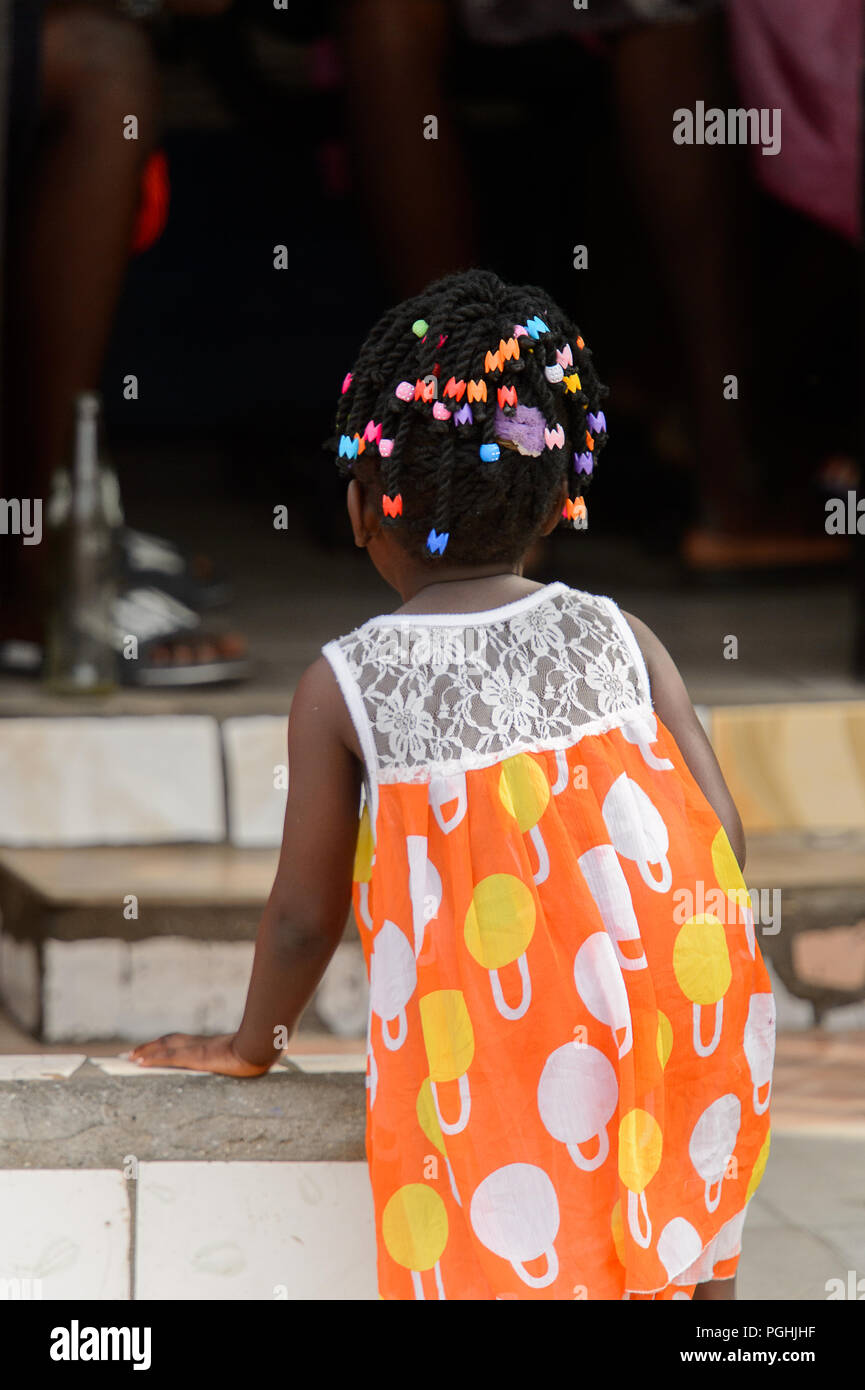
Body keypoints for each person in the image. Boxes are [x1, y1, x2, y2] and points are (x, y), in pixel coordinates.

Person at [130, 269, 775, 1302]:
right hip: (693, 1009)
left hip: (507, 1058)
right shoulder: (620, 633)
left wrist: (255, 1044)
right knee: (682, 1233)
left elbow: (304, 917)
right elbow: (723, 833)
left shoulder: (344, 683)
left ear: (358, 509)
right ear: (555, 507)